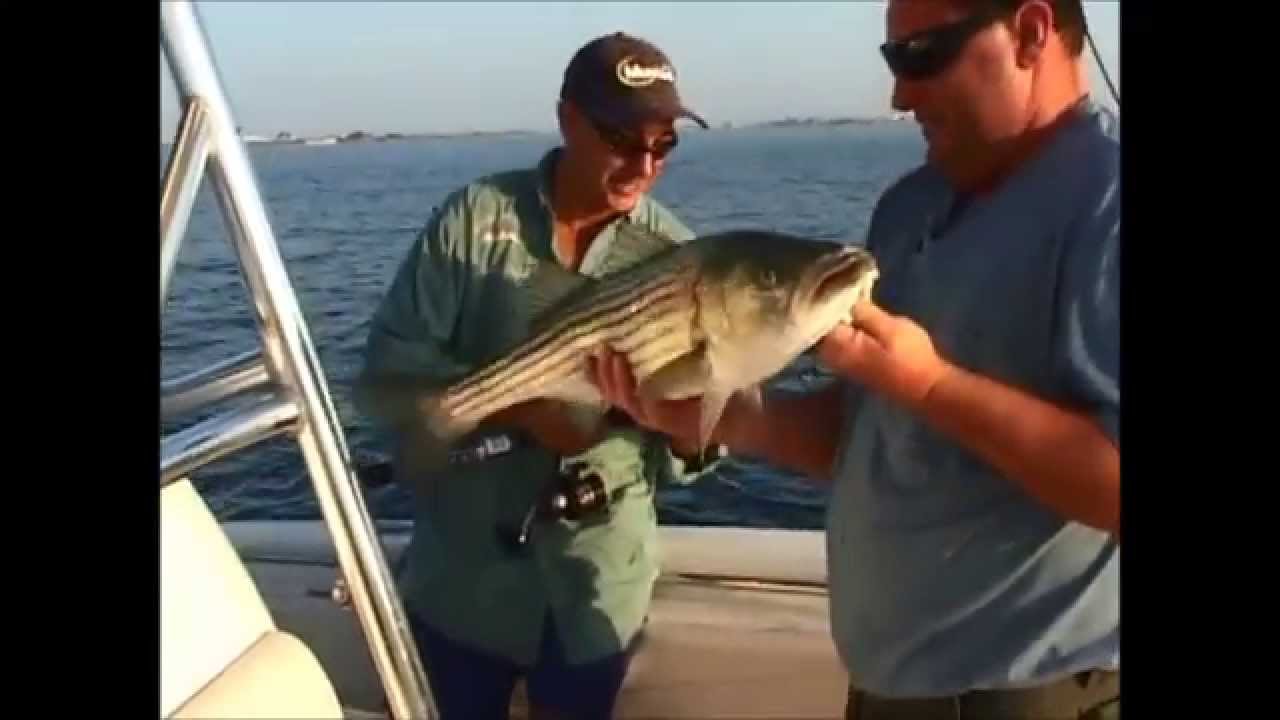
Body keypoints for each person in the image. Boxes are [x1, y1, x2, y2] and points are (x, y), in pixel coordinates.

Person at [590, 0, 1120, 718]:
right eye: (890, 62)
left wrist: (931, 385)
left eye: (920, 56)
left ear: (1030, 33)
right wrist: (732, 420)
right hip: (889, 685)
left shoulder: (1106, 206)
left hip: (1031, 689)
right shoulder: (907, 208)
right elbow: (868, 434)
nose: (898, 95)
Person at [354, 32, 717, 720]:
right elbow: (387, 374)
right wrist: (519, 410)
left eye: (663, 144)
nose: (642, 164)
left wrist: (683, 425)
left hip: (596, 587)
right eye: (621, 137)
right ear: (568, 119)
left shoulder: (678, 254)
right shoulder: (473, 221)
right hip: (462, 584)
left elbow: (692, 460)